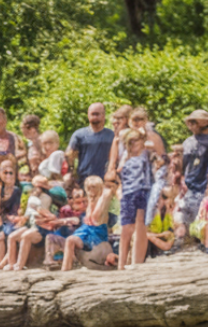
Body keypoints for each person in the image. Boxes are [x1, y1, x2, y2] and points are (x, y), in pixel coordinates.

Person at [176, 109, 208, 243]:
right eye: (190, 123)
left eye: (195, 123)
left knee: (199, 209)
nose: (191, 126)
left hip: (202, 180)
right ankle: (185, 236)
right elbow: (184, 161)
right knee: (184, 209)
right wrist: (180, 175)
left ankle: (199, 237)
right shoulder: (188, 142)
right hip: (189, 180)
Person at [61, 176, 118, 270]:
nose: (91, 190)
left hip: (98, 233)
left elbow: (95, 217)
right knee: (70, 240)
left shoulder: (103, 198)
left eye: (93, 187)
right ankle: (65, 269)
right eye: (89, 188)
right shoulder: (89, 200)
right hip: (86, 231)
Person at [116, 129, 153, 269]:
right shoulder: (126, 157)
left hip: (142, 191)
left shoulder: (146, 154)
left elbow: (151, 142)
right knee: (126, 228)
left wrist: (142, 133)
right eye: (130, 141)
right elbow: (118, 171)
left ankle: (136, 262)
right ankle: (121, 264)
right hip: (128, 193)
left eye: (136, 140)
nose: (134, 144)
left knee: (140, 224)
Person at [67, 102, 115, 184]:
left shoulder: (111, 135)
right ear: (88, 115)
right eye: (93, 114)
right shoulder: (79, 135)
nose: (95, 117)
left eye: (97, 114)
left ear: (104, 116)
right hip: (83, 179)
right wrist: (72, 173)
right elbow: (69, 155)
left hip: (105, 180)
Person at [20, 113, 45, 180]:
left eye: (23, 128)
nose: (22, 131)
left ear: (32, 129)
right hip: (34, 177)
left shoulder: (41, 142)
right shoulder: (31, 143)